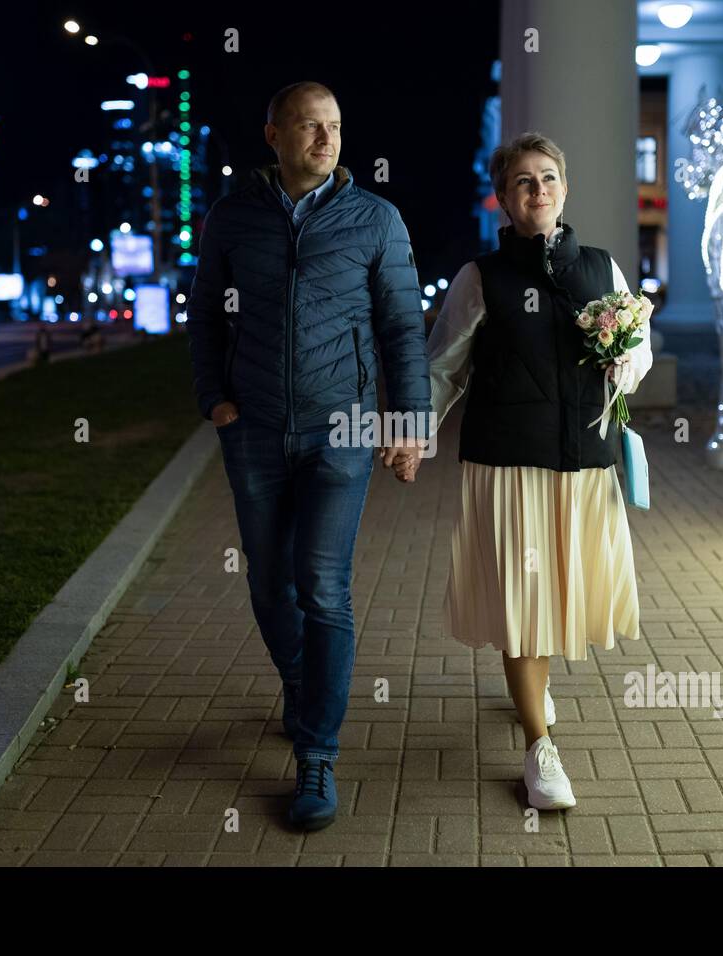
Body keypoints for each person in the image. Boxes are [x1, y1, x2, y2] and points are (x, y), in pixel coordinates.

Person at [187, 81, 429, 830]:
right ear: (273, 134)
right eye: (308, 126)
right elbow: (202, 315)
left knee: (322, 586)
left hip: (344, 429)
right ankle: (303, 687)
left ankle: (316, 752)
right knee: (269, 585)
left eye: (333, 126)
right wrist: (214, 401)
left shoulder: (376, 220)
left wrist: (410, 422)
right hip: (255, 428)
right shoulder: (232, 217)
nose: (325, 139)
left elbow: (402, 329)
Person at [390, 132, 652, 810]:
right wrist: (414, 436)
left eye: (548, 179)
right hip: (509, 466)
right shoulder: (481, 278)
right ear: (503, 199)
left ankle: (533, 693)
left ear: (564, 189)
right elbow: (442, 368)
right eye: (522, 183)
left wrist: (629, 363)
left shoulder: (601, 267)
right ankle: (540, 750)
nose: (537, 191)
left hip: (585, 465)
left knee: (563, 597)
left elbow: (639, 343)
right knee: (526, 608)